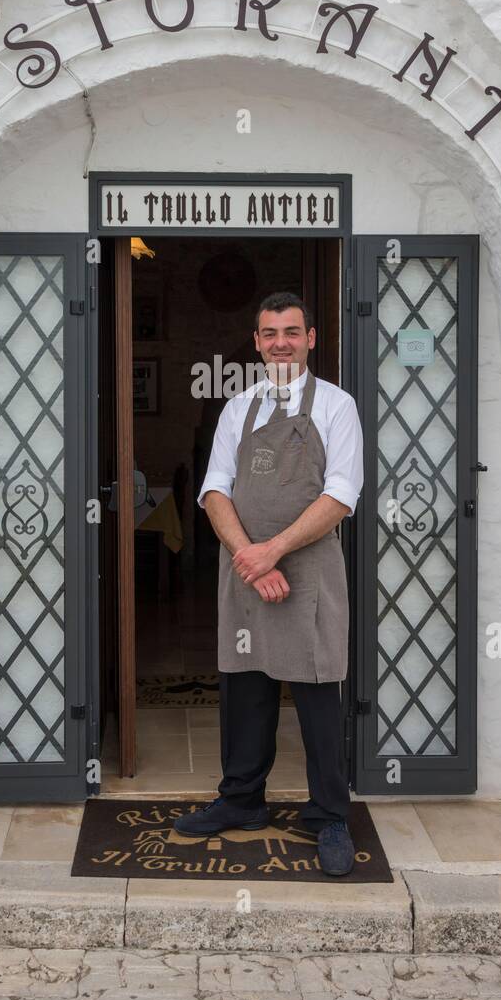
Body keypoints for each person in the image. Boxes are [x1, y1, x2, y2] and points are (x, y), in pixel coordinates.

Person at [173, 291, 364, 875]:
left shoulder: (337, 406)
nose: (280, 341)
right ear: (256, 343)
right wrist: (250, 557)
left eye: (291, 331)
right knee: (245, 690)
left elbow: (341, 495)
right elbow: (214, 490)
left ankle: (329, 814)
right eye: (269, 333)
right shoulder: (240, 408)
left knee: (316, 695)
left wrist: (273, 551)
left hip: (307, 571)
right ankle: (241, 801)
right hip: (246, 569)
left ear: (311, 339)